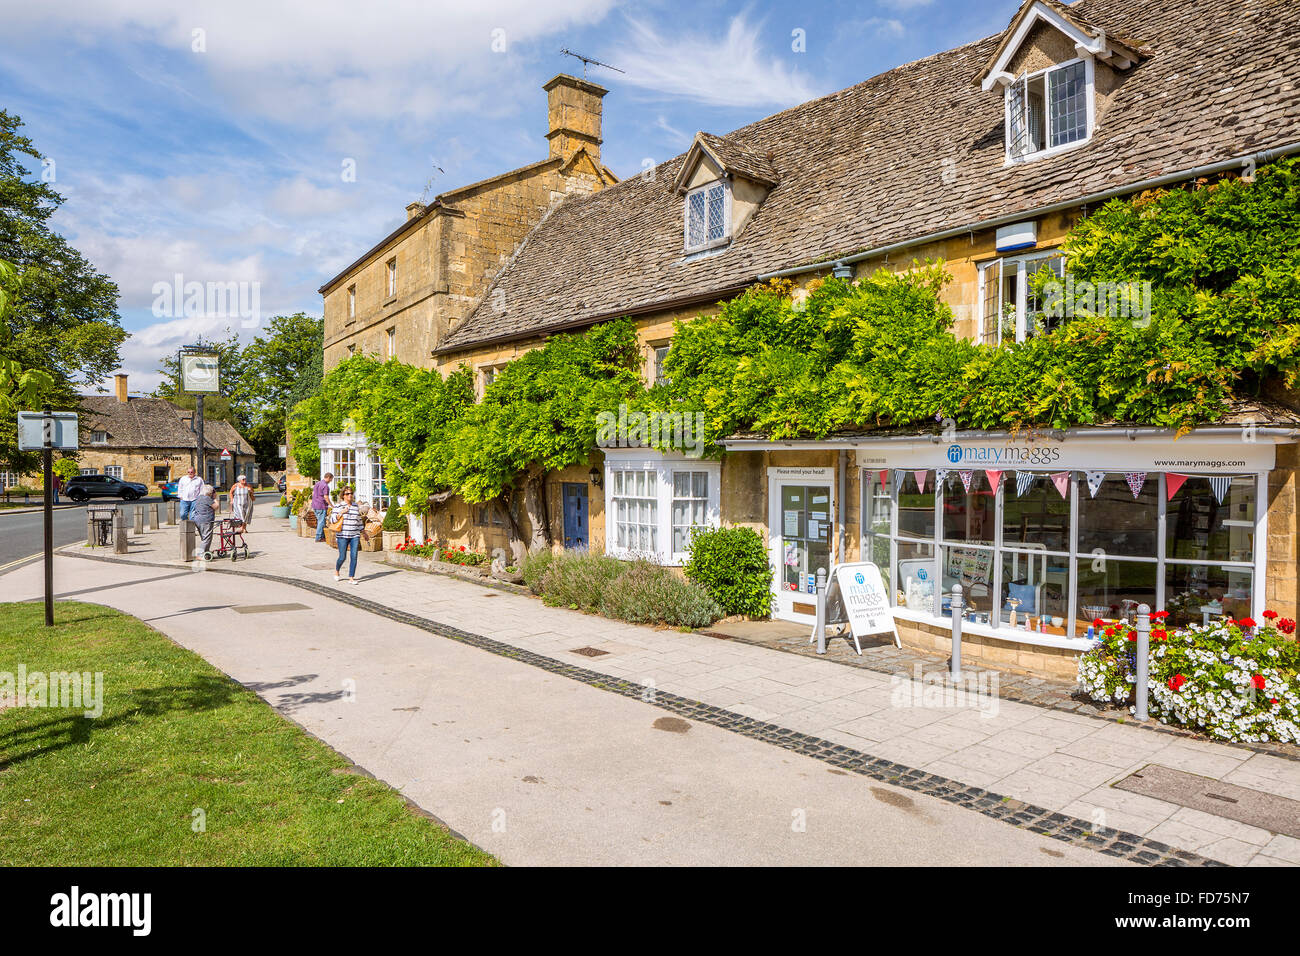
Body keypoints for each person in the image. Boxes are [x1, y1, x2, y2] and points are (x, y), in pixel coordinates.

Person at [330, 487, 365, 585]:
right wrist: (341, 512)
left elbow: (359, 521)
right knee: (342, 557)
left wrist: (364, 532)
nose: (350, 495)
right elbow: (332, 520)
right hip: (342, 535)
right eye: (347, 493)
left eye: (351, 493)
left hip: (355, 535)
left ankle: (351, 578)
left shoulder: (355, 506)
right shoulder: (338, 506)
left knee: (354, 556)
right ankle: (337, 570)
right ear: (343, 496)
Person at [192, 483, 216, 558]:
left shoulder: (198, 498)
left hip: (197, 519)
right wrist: (215, 499)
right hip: (206, 520)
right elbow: (216, 506)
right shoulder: (207, 498)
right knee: (206, 538)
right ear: (210, 492)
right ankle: (200, 554)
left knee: (203, 537)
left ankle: (206, 552)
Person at [312, 472, 333, 543]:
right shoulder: (325, 486)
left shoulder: (317, 483)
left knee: (320, 522)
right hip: (321, 505)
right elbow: (326, 497)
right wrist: (331, 505)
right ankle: (318, 537)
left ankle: (323, 536)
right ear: (328, 478)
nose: (331, 481)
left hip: (315, 505)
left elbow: (313, 493)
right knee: (321, 522)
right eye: (331, 479)